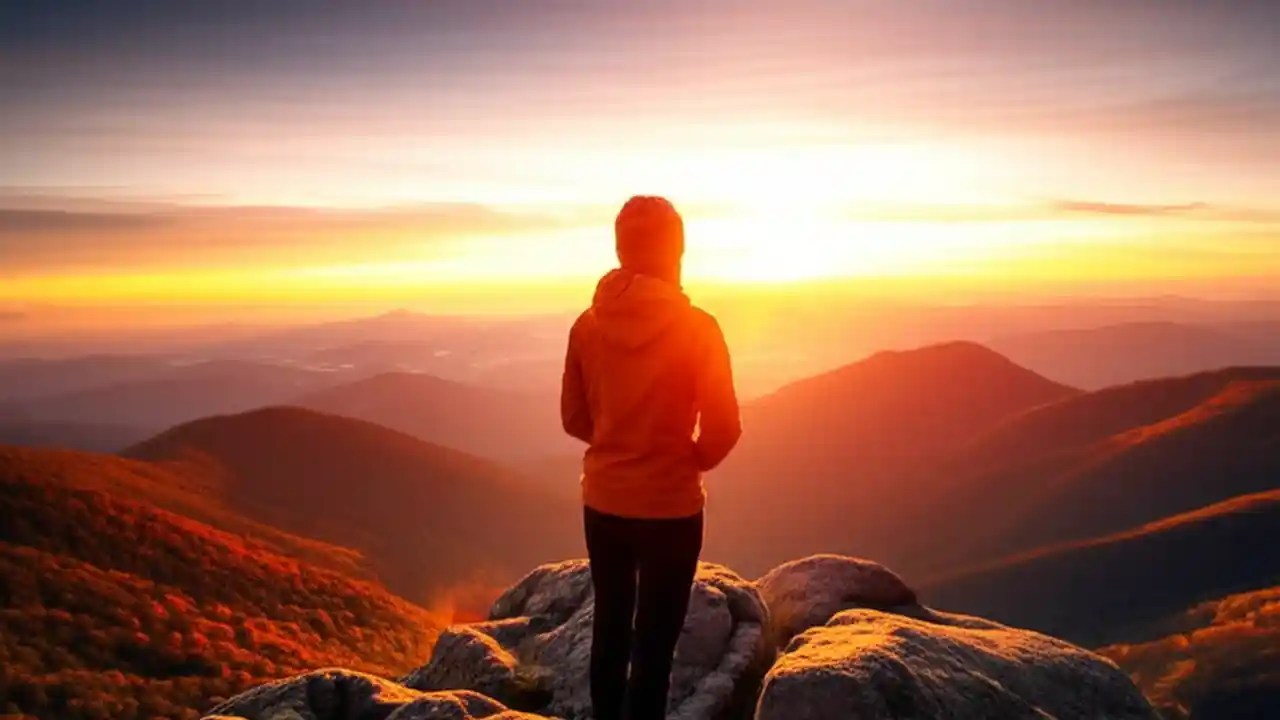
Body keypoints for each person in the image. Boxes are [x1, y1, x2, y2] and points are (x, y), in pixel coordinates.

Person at [560, 195, 742, 720]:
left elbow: (574, 419)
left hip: (605, 503)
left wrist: (618, 438)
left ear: (620, 249)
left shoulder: (586, 326)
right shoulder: (699, 328)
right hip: (671, 508)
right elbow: (725, 427)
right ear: (677, 251)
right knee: (655, 650)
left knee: (610, 629)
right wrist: (687, 458)